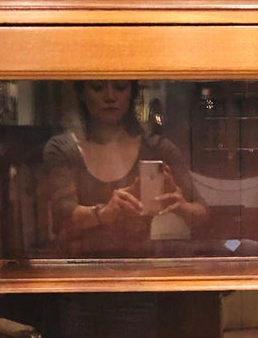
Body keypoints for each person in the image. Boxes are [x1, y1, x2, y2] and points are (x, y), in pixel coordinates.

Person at [44, 79, 207, 256]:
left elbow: (203, 213)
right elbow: (62, 214)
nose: (110, 97)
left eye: (120, 87)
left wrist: (180, 205)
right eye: (98, 87)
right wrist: (105, 213)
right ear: (82, 93)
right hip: (77, 271)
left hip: (138, 267)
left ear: (132, 92)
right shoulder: (61, 149)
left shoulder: (157, 148)